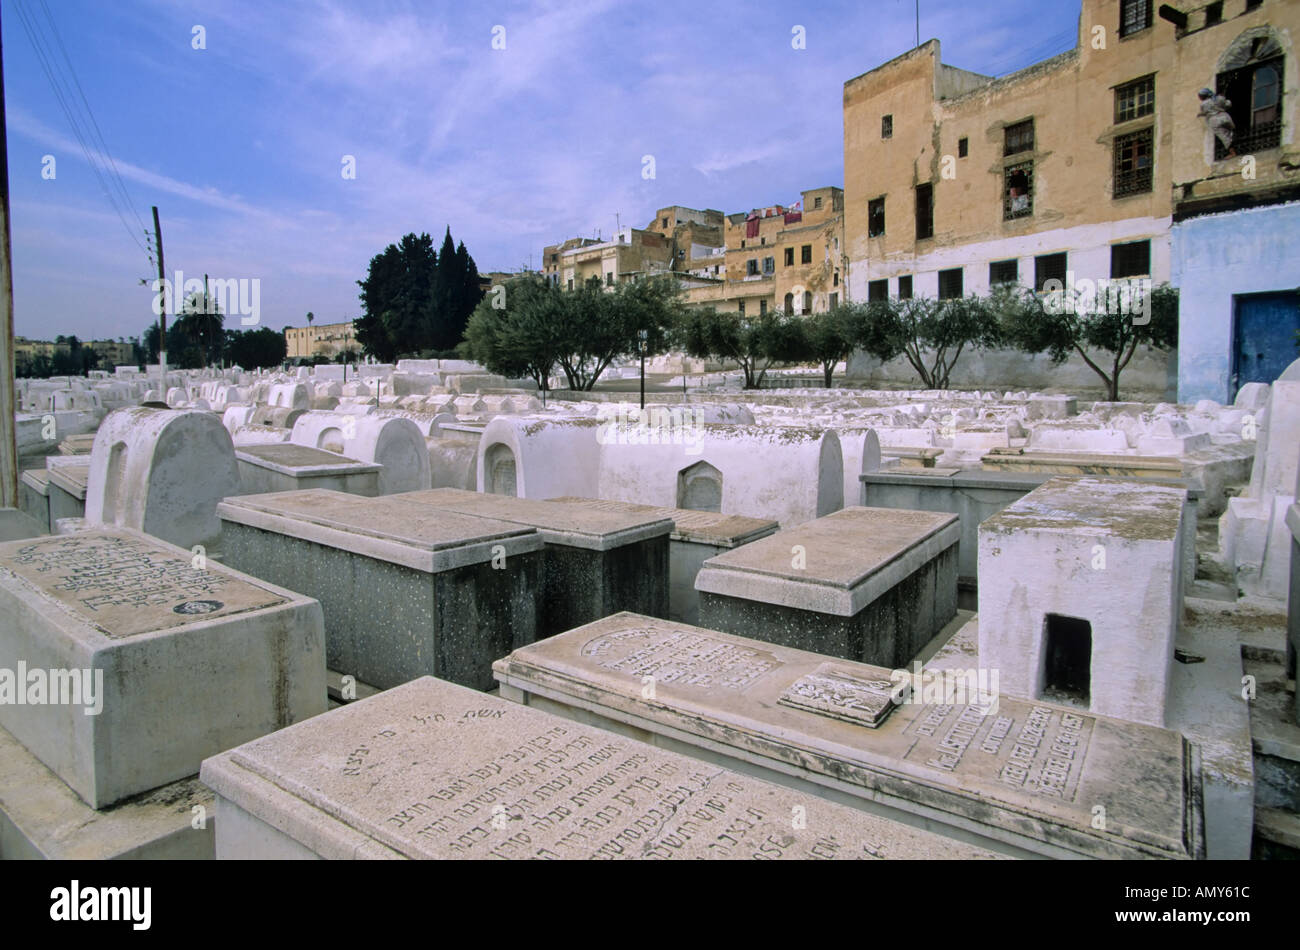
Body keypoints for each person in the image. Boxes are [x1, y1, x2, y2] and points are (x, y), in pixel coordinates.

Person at [1198, 87, 1236, 157]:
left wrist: (1200, 114)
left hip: (1214, 121)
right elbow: (1228, 104)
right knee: (1231, 131)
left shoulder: (1203, 104)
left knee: (1224, 137)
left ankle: (1232, 153)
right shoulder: (1219, 98)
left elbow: (1205, 112)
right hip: (1225, 117)